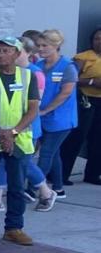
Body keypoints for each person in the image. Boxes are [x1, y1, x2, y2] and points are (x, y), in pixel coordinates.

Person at [0, 37, 39, 247]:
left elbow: (32, 108)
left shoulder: (27, 76)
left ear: (17, 54)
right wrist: (1, 133)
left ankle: (14, 228)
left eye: (6, 50)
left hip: (19, 140)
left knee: (16, 187)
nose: (0, 54)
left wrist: (12, 132)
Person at [34, 29, 77, 201]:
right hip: (42, 117)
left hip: (60, 120)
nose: (41, 49)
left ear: (56, 45)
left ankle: (32, 188)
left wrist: (46, 110)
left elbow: (65, 93)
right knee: (54, 153)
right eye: (38, 45)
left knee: (45, 154)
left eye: (45, 45)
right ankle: (58, 188)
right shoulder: (38, 66)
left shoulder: (68, 67)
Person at [61, 26, 101, 185]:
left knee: (98, 139)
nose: (100, 42)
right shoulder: (83, 57)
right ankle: (62, 175)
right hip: (85, 100)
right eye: (97, 38)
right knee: (77, 137)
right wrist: (92, 82)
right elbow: (71, 77)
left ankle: (93, 174)